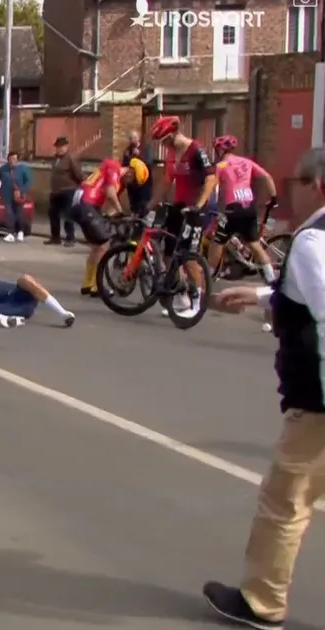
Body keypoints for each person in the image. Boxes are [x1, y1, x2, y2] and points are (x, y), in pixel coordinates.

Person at [202, 147, 325, 630]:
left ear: (316, 185)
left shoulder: (313, 242)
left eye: (295, 181)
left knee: (285, 500)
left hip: (316, 402)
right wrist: (259, 296)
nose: (286, 191)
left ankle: (262, 601)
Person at [148, 115, 215, 318]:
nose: (165, 145)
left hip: (197, 206)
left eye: (167, 140)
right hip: (179, 206)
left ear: (176, 133)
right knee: (169, 254)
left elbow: (212, 178)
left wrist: (199, 205)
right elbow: (167, 181)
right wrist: (150, 205)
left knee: (189, 255)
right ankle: (181, 296)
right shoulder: (170, 153)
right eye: (162, 143)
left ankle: (197, 302)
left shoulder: (196, 150)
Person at [72, 157, 148, 296]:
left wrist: (112, 215)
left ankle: (88, 284)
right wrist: (120, 213)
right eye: (134, 180)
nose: (132, 183)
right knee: (103, 245)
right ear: (131, 171)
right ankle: (97, 286)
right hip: (86, 202)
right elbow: (110, 194)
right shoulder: (114, 168)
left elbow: (110, 203)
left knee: (96, 246)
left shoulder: (120, 183)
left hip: (85, 203)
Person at [209, 134, 278, 284]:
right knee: (254, 243)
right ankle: (271, 277)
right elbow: (267, 177)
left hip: (232, 209)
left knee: (217, 242)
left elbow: (212, 185)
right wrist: (273, 198)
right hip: (248, 206)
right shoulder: (247, 162)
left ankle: (208, 276)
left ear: (220, 150)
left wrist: (204, 202)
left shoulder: (221, 166)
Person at [0, 268, 75, 328]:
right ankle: (2, 319)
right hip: (7, 307)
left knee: (26, 279)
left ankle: (62, 313)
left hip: (18, 294)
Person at [0, 151, 32, 243]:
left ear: (17, 160)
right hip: (6, 195)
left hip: (19, 195)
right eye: (11, 159)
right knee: (9, 214)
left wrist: (22, 191)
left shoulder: (23, 169)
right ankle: (10, 233)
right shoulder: (3, 169)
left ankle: (20, 232)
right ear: (8, 159)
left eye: (14, 159)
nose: (12, 161)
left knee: (19, 214)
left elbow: (28, 181)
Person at [48, 137, 82, 246]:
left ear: (66, 147)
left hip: (68, 191)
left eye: (62, 147)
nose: (60, 149)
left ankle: (70, 238)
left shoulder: (71, 158)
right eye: (58, 147)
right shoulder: (55, 158)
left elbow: (78, 174)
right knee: (53, 214)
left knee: (68, 215)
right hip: (55, 191)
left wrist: (82, 184)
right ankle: (55, 238)